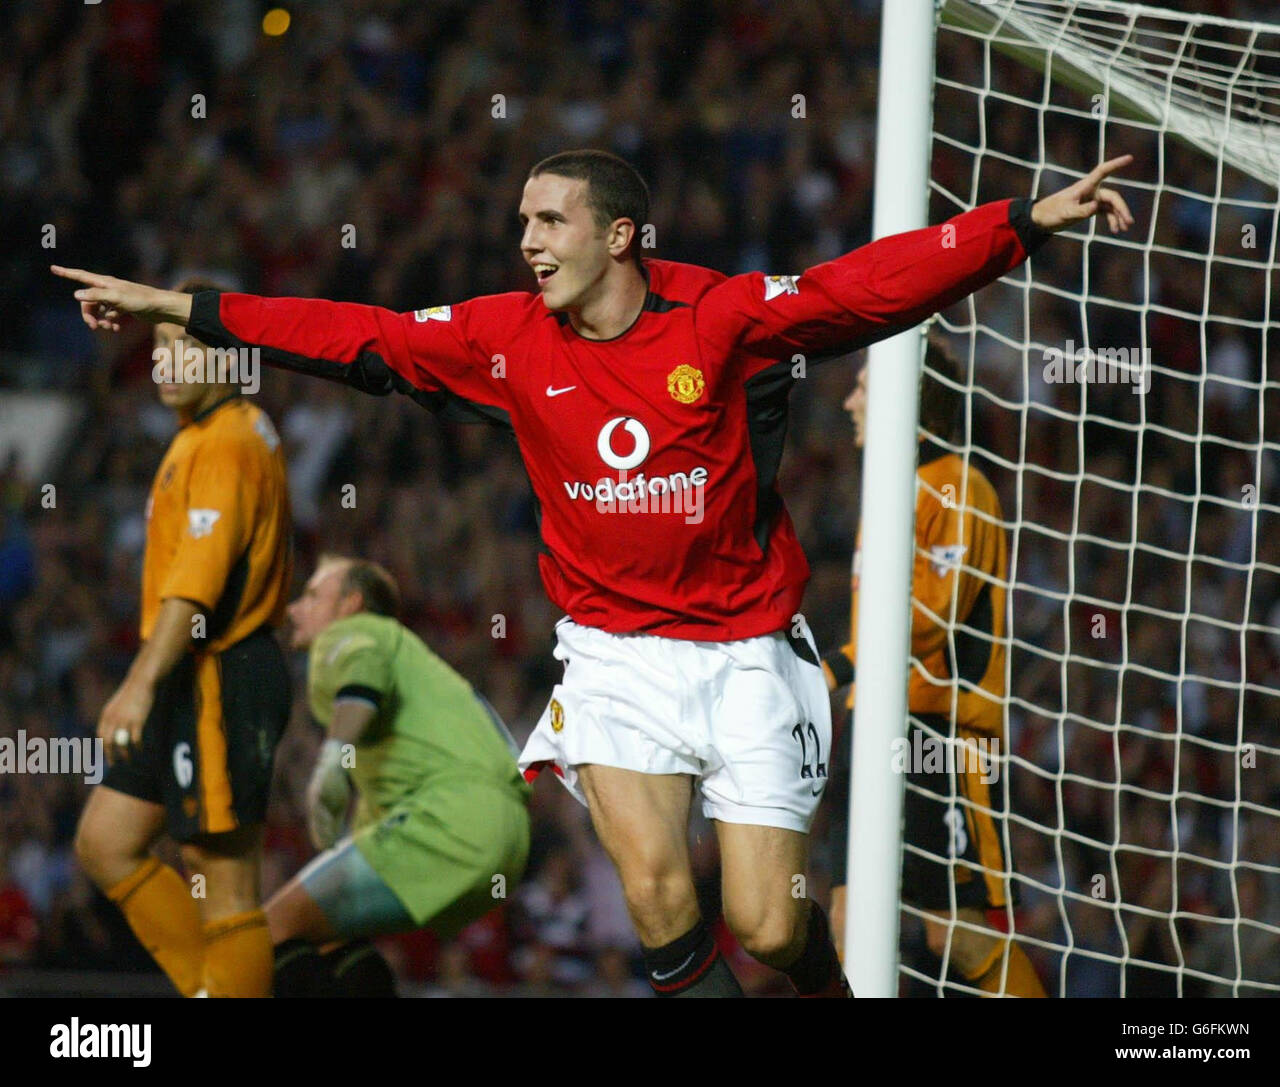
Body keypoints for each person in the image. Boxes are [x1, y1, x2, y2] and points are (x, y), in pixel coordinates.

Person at [53, 146, 1133, 997]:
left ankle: (817, 985)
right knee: (660, 893)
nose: (524, 240)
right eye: (521, 219)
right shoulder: (505, 340)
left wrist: (1018, 222)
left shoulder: (719, 318)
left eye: (548, 219)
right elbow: (357, 334)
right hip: (613, 657)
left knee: (766, 924)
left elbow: (864, 289)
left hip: (746, 650)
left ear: (618, 235)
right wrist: (180, 304)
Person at [73, 278, 293, 997]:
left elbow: (195, 585)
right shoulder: (204, 436)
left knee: (223, 880)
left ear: (232, 358)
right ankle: (208, 985)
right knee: (105, 840)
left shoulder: (228, 442)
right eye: (162, 347)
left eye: (188, 346)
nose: (169, 364)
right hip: (191, 674)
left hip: (219, 672)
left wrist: (137, 683)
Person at [823, 338, 1045, 997]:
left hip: (942, 734)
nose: (849, 401)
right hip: (875, 726)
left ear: (907, 401)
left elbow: (928, 621)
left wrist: (829, 669)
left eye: (864, 386)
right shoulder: (893, 493)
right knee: (847, 916)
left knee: (958, 929)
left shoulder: (957, 484)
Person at [263, 553, 532, 997]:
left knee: (270, 931)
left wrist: (333, 756)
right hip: (503, 840)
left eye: (312, 596)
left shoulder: (353, 633)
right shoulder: (420, 670)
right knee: (332, 939)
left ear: (350, 604)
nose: (294, 609)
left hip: (448, 821)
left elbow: (362, 670)